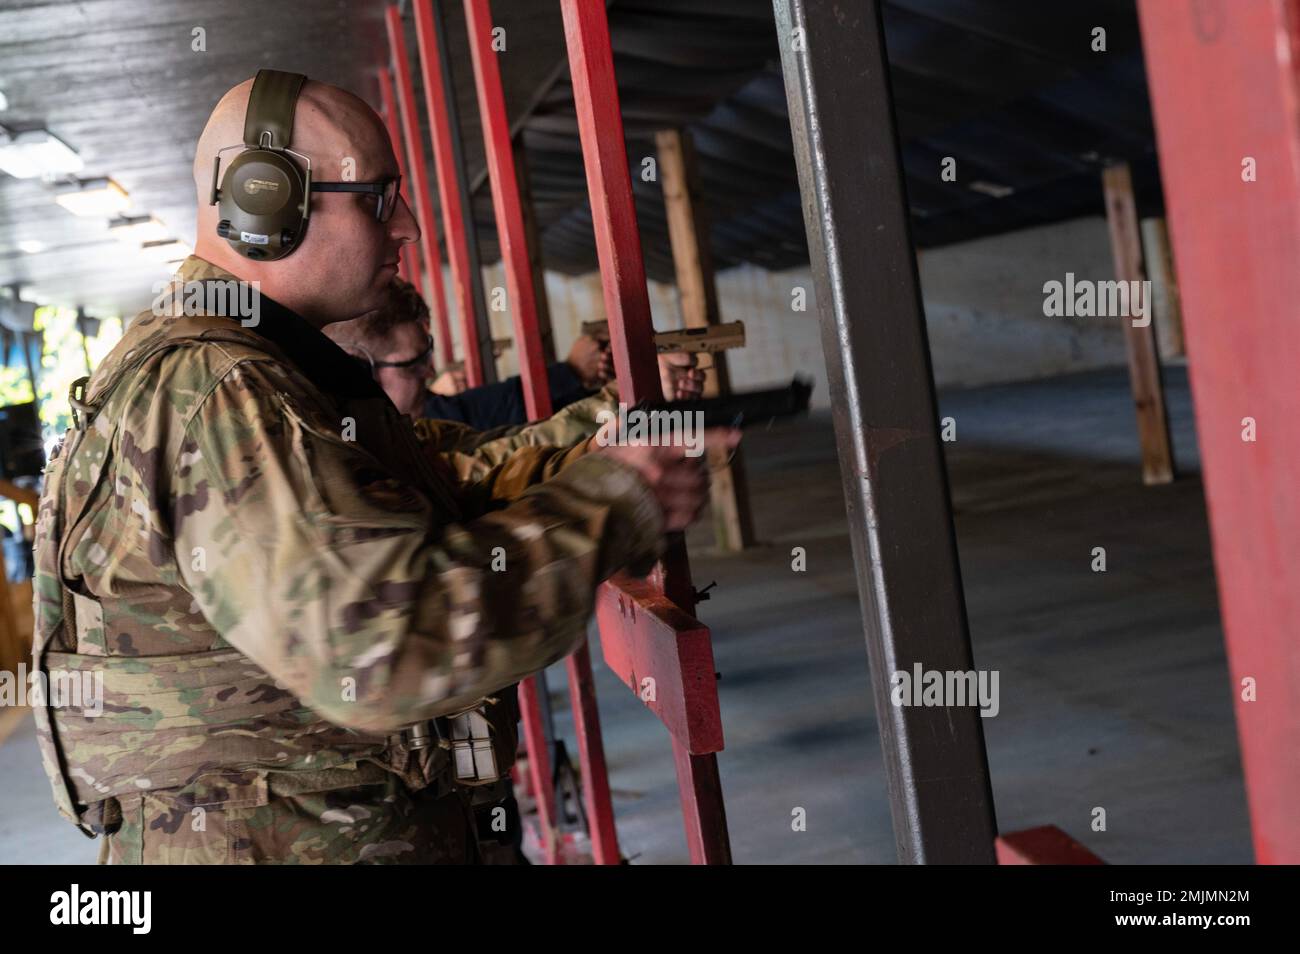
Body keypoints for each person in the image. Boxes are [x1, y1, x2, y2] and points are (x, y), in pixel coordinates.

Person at [30, 69, 737, 864]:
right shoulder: (220, 392)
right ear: (269, 205)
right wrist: (615, 501)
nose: (406, 227)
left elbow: (438, 482)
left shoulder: (262, 370)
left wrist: (606, 437)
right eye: (376, 197)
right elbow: (385, 645)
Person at [325, 276, 704, 430]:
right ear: (359, 371)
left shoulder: (404, 435)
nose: (429, 373)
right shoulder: (362, 467)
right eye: (414, 364)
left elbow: (510, 436)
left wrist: (609, 390)